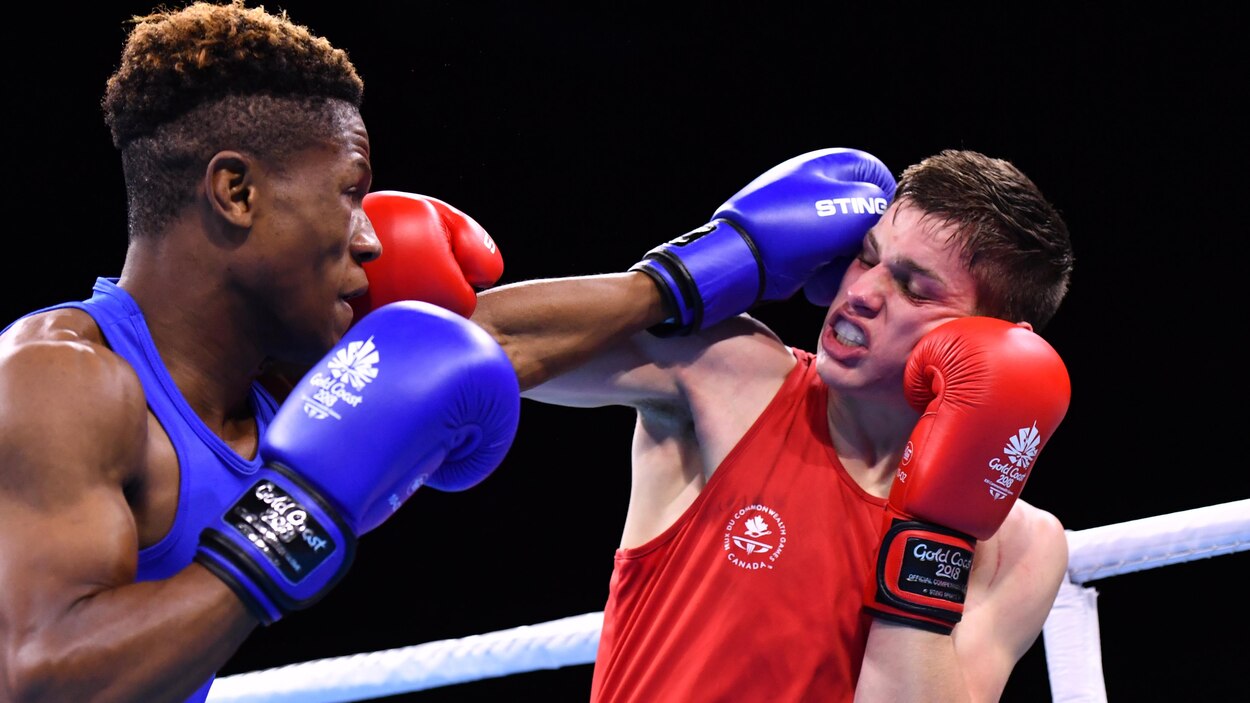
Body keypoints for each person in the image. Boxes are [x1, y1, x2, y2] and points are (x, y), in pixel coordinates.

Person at [368, 147, 1076, 701]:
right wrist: (692, 272)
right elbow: (465, 347)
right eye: (866, 256)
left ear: (995, 344)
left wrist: (933, 536)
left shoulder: (1016, 548)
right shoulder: (732, 375)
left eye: (914, 286)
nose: (861, 293)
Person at [0, 3, 519, 702]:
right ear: (237, 193)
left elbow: (479, 342)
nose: (369, 238)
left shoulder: (266, 387)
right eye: (350, 192)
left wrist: (691, 274)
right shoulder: (57, 378)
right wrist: (287, 521)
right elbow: (41, 675)